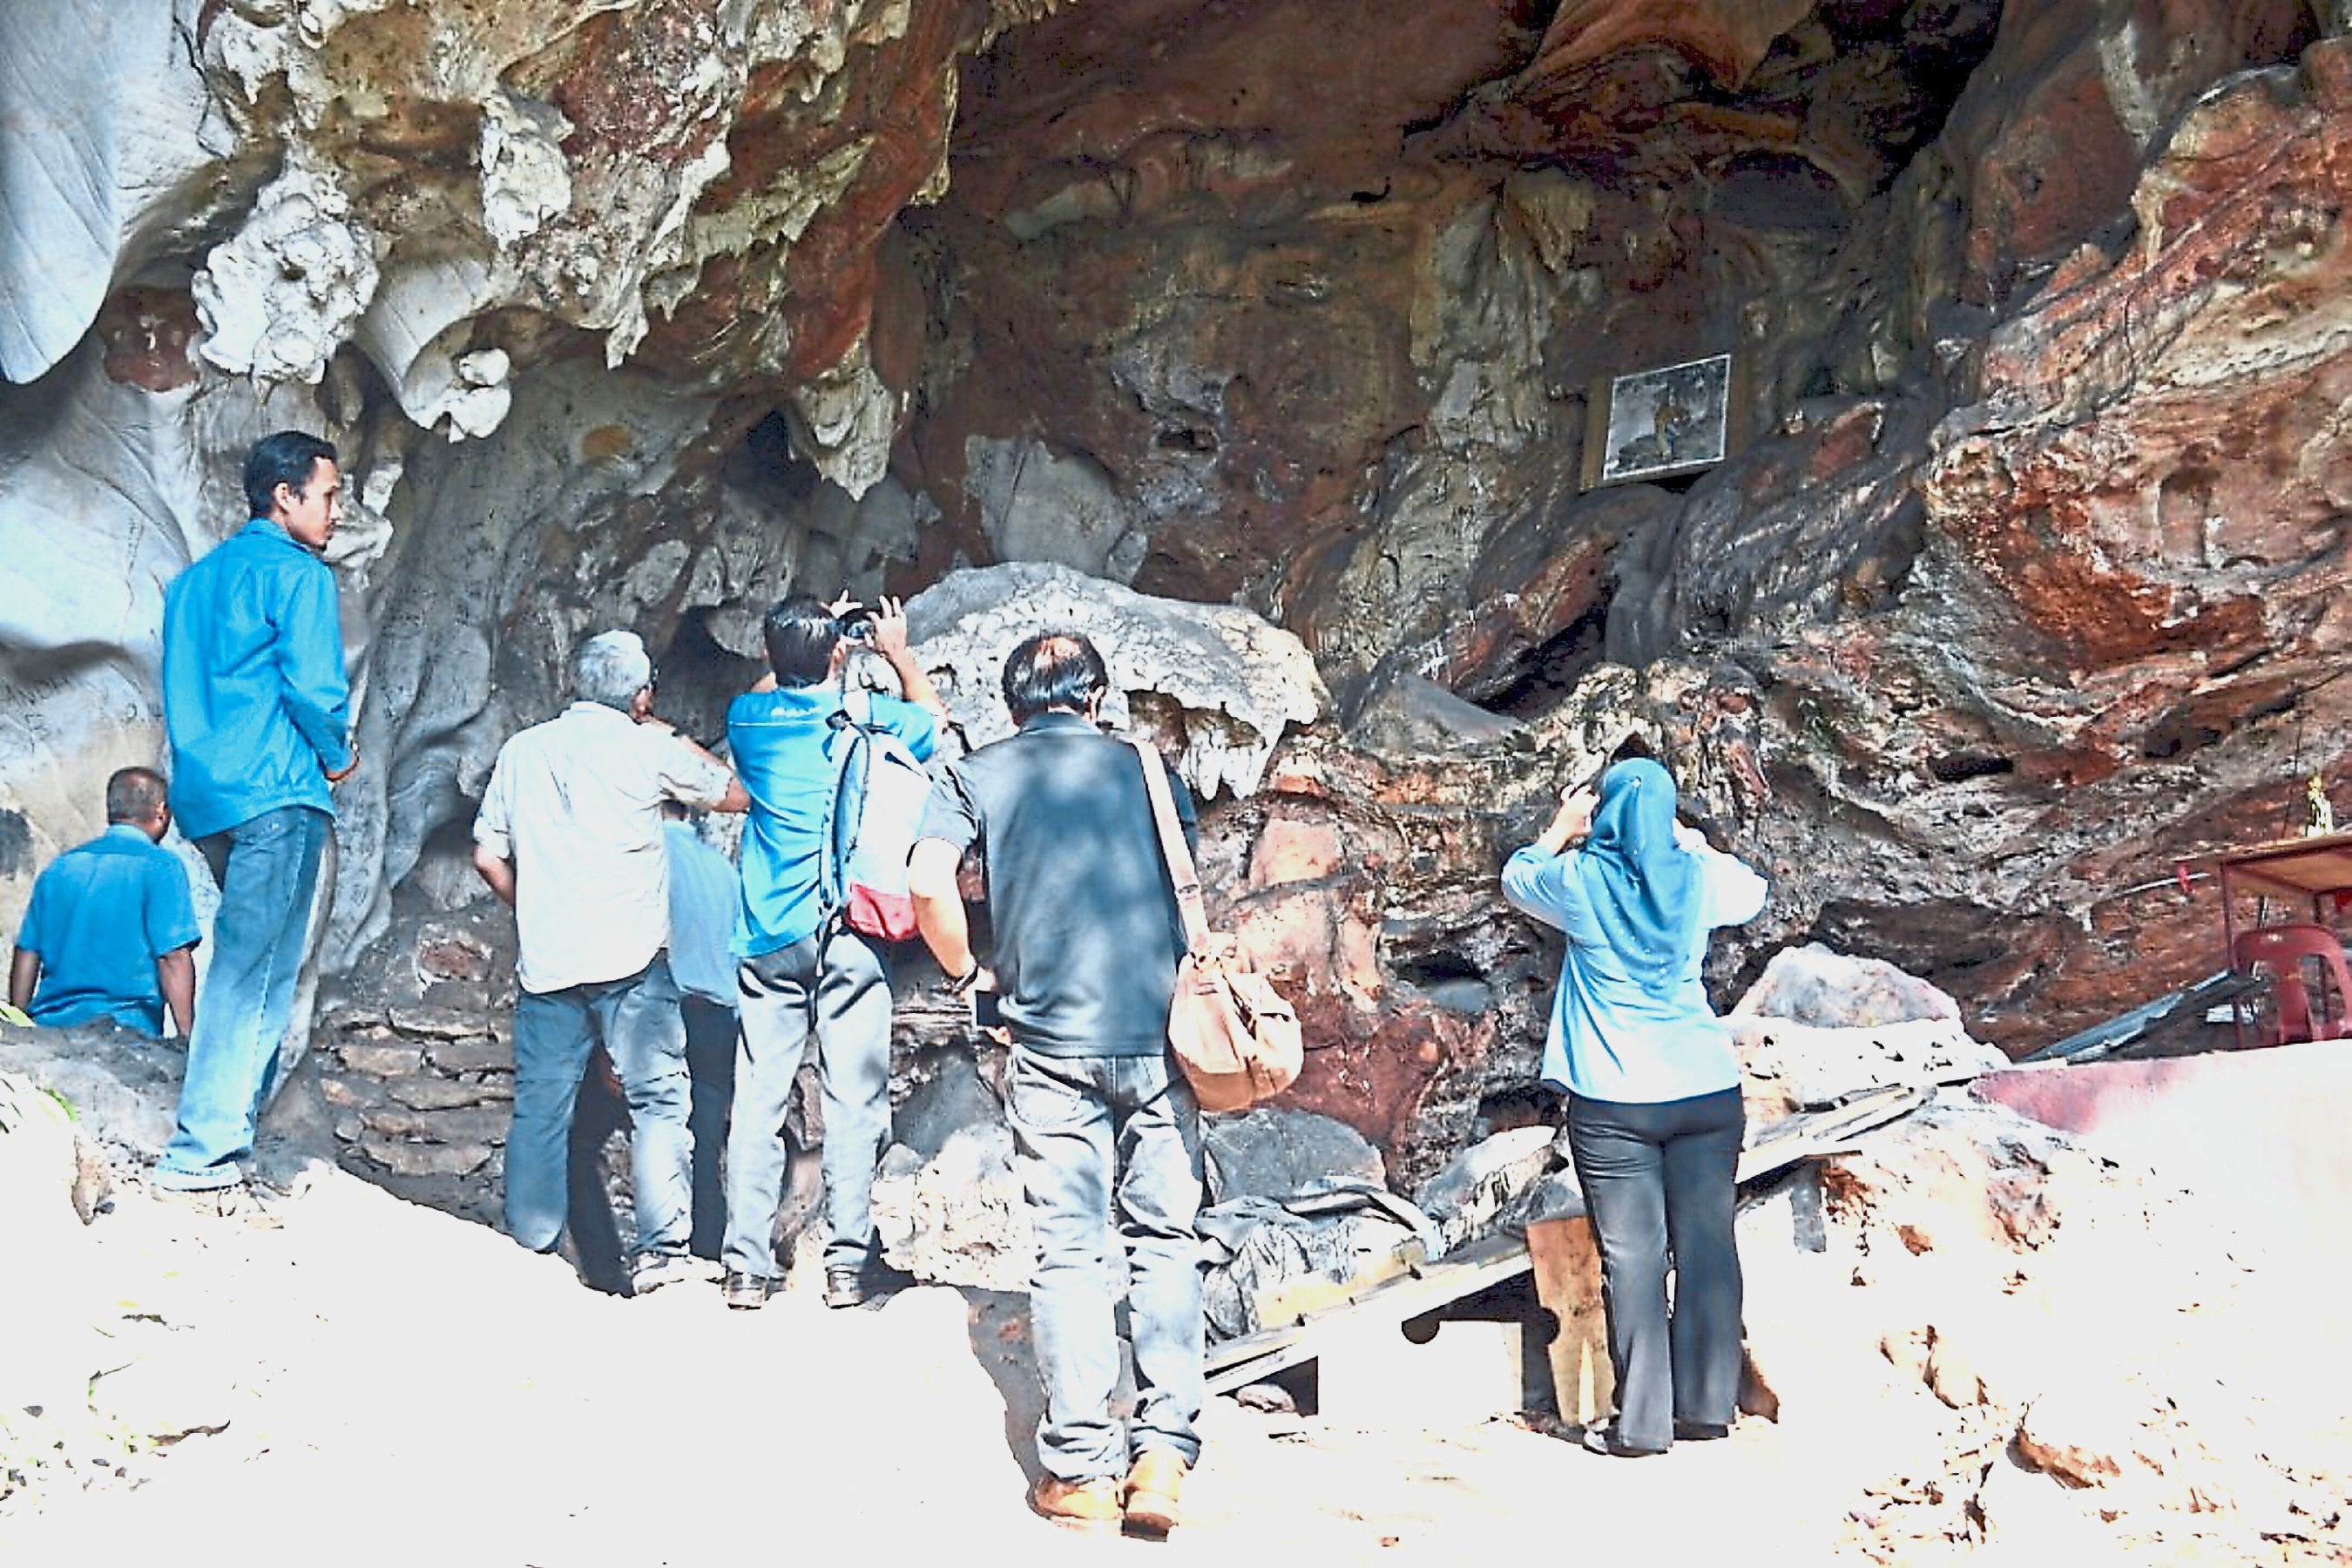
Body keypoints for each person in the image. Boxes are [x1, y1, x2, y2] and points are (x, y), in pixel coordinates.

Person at [907, 631, 1204, 1535]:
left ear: (1011, 706)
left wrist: (967, 974)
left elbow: (925, 884)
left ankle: (1078, 1470)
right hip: (1158, 1038)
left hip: (1046, 1044)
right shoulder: (1150, 770)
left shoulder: (977, 774)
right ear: (1097, 697)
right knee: (1166, 1236)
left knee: (1071, 1248)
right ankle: (1161, 1456)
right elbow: (1186, 886)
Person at [1500, 756, 1768, 1457]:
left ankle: (1642, 1424)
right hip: (1706, 1093)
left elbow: (1516, 877)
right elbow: (1754, 892)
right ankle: (1708, 1407)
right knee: (1709, 1245)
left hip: (1615, 1099)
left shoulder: (1579, 881)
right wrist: (1691, 841)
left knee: (1634, 1257)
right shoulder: (1700, 880)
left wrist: (1559, 828)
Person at [472, 629, 747, 1295]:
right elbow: (732, 793)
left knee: (541, 1109)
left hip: (550, 964)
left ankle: (530, 1249)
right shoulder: (644, 745)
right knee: (659, 1101)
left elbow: (486, 855)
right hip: (631, 961)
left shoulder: (522, 750)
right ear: (642, 695)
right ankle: (662, 1251)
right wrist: (666, 733)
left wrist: (532, 909)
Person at [720, 595, 944, 1311]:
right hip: (849, 930)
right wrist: (894, 652)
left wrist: (802, 647)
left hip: (768, 936)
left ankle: (745, 1269)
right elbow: (932, 721)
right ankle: (847, 1266)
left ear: (769, 654)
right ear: (837, 656)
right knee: (854, 1100)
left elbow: (770, 688)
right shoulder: (866, 713)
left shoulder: (746, 721)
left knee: (757, 1098)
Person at [153, 429, 358, 1212]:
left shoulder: (192, 584)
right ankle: (205, 1147)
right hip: (274, 786)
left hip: (208, 794)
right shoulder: (298, 576)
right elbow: (313, 687)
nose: (336, 511)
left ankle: (227, 1127)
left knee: (244, 957)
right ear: (286, 495)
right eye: (329, 494)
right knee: (257, 968)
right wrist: (335, 753)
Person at [9, 767, 199, 1038]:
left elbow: (27, 952)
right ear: (161, 811)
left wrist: (20, 1026)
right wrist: (187, 1036)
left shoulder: (60, 868)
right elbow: (173, 956)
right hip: (124, 1030)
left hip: (51, 1031)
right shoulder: (160, 866)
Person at [661, 801, 741, 1261]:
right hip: (721, 1017)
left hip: (670, 1009)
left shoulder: (645, 860)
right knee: (705, 1144)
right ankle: (708, 1251)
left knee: (654, 1135)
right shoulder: (721, 869)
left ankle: (656, 1251)